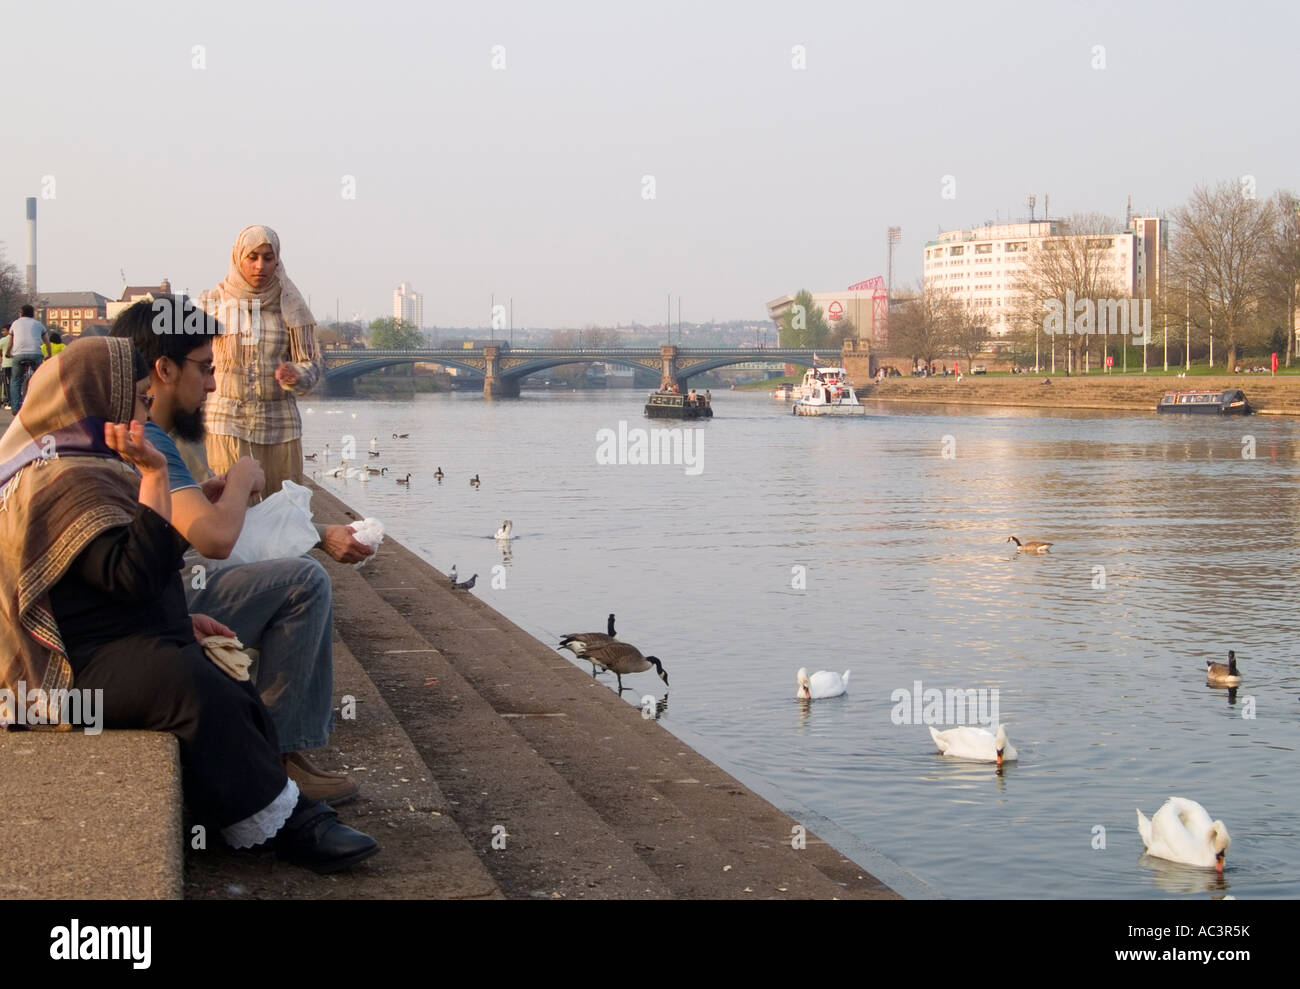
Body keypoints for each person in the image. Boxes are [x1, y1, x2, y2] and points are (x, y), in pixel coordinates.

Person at [0, 336, 378, 872]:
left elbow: (116, 581)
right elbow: (130, 576)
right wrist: (156, 475)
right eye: (135, 399)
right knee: (183, 679)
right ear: (98, 399)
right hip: (62, 676)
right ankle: (292, 825)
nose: (143, 410)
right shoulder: (63, 481)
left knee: (217, 664)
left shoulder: (83, 465)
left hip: (99, 647)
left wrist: (183, 619)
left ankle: (249, 805)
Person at [112, 296, 372, 802]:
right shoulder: (152, 436)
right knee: (303, 583)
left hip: (137, 601)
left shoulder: (151, 431)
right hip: (144, 614)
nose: (213, 384)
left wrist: (306, 528)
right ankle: (276, 759)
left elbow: (188, 521)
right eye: (206, 370)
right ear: (163, 369)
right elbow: (213, 537)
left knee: (289, 571)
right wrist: (241, 480)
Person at [198, 226, 323, 496]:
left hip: (280, 427)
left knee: (282, 510)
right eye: (252, 257)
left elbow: (312, 363)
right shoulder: (212, 303)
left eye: (268, 258)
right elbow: (192, 361)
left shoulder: (291, 304)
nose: (260, 266)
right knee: (230, 508)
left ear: (277, 260)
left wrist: (297, 375)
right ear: (237, 257)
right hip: (225, 422)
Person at [8, 304, 48, 415]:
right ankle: (41, 406)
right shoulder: (38, 324)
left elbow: (11, 341)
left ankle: (15, 409)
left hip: (18, 355)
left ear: (20, 314)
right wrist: (48, 354)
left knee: (15, 380)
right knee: (40, 379)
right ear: (33, 314)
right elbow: (46, 341)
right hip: (36, 354)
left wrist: (7, 353)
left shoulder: (15, 323)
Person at [1, 322, 12, 408]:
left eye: (4, 330)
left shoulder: (3, 340)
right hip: (16, 364)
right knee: (15, 383)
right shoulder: (17, 339)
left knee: (6, 383)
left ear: (9, 331)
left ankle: (9, 401)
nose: (2, 332)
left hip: (6, 365)